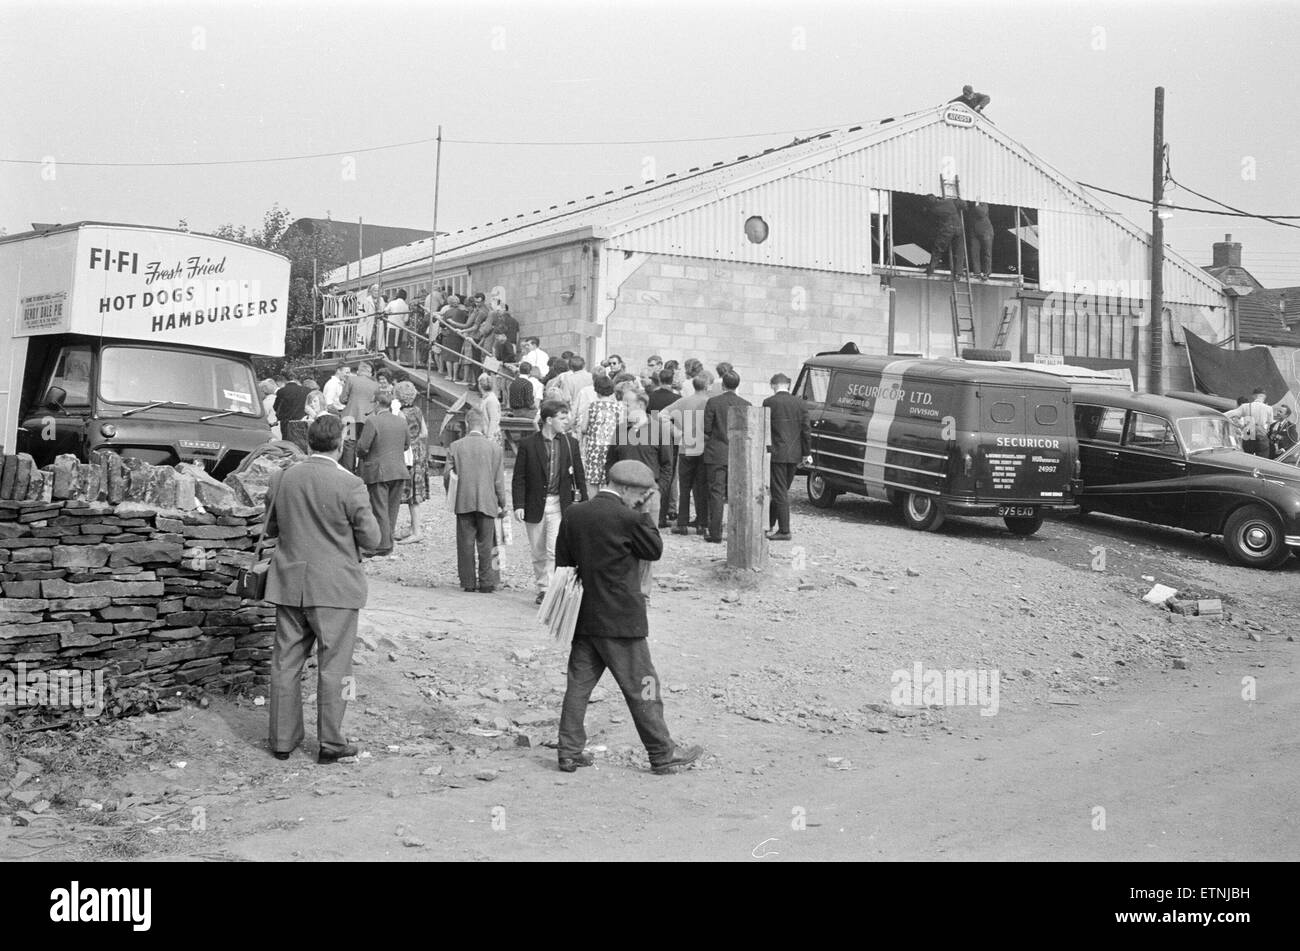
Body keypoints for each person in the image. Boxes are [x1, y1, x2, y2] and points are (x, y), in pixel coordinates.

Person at [554, 459, 703, 776]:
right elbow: (654, 550)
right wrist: (646, 514)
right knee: (645, 686)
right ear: (624, 488)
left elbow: (563, 563)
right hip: (622, 621)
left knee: (578, 687)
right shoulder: (630, 518)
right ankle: (662, 752)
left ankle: (568, 752)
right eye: (640, 494)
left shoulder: (574, 513)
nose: (642, 500)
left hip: (584, 617)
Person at [265, 414, 381, 764]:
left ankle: (282, 741)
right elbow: (373, 539)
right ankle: (331, 742)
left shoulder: (282, 477)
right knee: (336, 667)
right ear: (341, 441)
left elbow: (271, 528)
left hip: (290, 583)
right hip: (335, 588)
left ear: (309, 441)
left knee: (285, 663)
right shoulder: (350, 484)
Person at [513, 399, 587, 604]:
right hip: (534, 503)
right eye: (562, 418)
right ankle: (541, 585)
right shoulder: (528, 444)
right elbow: (519, 477)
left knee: (554, 549)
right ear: (548, 420)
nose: (567, 422)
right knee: (537, 551)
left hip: (559, 504)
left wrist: (585, 503)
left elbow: (579, 474)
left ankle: (550, 590)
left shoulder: (570, 443)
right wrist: (518, 504)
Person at [607, 390, 672, 598]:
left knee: (645, 543)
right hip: (621, 498)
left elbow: (667, 465)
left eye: (627, 405)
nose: (623, 408)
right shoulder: (620, 430)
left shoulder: (658, 430)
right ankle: (621, 587)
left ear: (641, 405)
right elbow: (610, 461)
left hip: (648, 498)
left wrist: (658, 488)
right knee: (618, 542)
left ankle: (642, 592)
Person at [445, 408, 507, 593]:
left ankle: (468, 582)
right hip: (488, 501)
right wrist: (503, 502)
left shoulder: (455, 447)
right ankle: (487, 582)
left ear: (466, 423)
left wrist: (452, 495)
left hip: (463, 500)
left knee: (465, 543)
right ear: (484, 424)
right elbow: (499, 480)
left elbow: (447, 475)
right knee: (488, 543)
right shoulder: (495, 449)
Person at [355, 396, 410, 556]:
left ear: (378, 404)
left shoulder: (372, 421)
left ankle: (382, 545)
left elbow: (363, 446)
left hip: (378, 470)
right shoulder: (401, 421)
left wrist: (363, 456)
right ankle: (388, 541)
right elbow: (407, 445)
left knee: (379, 508)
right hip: (398, 469)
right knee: (392, 508)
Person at [702, 370, 751, 543]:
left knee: (716, 493)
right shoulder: (746, 404)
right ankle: (738, 532)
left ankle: (715, 533)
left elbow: (706, 429)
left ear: (722, 385)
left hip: (716, 453)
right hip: (738, 454)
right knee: (737, 493)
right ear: (737, 385)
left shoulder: (713, 402)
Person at [763, 372, 811, 541]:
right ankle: (769, 523)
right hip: (795, 453)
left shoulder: (769, 403)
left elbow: (765, 428)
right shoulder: (800, 403)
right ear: (788, 385)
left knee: (779, 492)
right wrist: (807, 453)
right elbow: (806, 430)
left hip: (777, 453)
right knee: (782, 490)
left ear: (772, 385)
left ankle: (784, 530)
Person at [668, 373, 713, 535]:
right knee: (701, 486)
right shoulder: (710, 402)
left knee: (684, 487)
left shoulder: (683, 401)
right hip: (703, 447)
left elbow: (661, 416)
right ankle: (702, 523)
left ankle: (682, 522)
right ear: (707, 386)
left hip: (685, 447)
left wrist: (676, 432)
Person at [394, 380, 429, 544]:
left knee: (410, 494)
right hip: (419, 452)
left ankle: (416, 531)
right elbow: (424, 433)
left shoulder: (400, 414)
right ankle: (414, 528)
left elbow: (400, 435)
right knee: (415, 493)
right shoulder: (417, 410)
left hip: (407, 454)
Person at [647, 369, 680, 527]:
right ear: (672, 379)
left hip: (651, 438)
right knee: (668, 474)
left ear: (659, 380)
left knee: (655, 472)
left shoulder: (651, 397)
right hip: (670, 440)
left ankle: (652, 511)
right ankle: (663, 513)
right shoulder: (677, 399)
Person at [581, 373, 622, 492]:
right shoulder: (618, 407)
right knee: (608, 479)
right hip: (611, 447)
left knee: (593, 480)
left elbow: (583, 428)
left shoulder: (592, 406)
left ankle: (593, 506)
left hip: (594, 447)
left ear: (596, 389)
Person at [340, 361, 379, 472]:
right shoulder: (375, 385)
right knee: (364, 445)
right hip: (367, 420)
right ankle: (362, 472)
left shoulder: (351, 380)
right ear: (370, 373)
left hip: (351, 419)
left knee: (349, 444)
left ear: (359, 371)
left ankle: (349, 471)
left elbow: (343, 399)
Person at [1226, 387, 1273, 458]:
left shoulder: (1245, 406)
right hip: (1261, 435)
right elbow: (1269, 423)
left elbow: (1231, 414)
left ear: (1253, 396)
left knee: (1247, 458)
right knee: (1262, 459)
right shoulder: (1269, 408)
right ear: (1264, 397)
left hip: (1248, 434)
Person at [926, 195, 966, 277]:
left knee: (938, 249)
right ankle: (958, 272)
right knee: (959, 250)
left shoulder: (934, 209)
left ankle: (931, 269)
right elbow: (963, 205)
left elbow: (933, 221)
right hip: (958, 228)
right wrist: (960, 199)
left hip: (947, 230)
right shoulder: (950, 201)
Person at [273, 375, 310, 452]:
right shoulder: (307, 390)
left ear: (285, 381)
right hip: (302, 421)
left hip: (286, 422)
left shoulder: (282, 391)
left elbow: (276, 407)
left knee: (287, 446)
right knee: (302, 445)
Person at [966, 200, 994, 281]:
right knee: (974, 252)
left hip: (986, 232)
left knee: (987, 253)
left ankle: (986, 273)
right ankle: (977, 272)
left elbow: (982, 213)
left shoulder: (983, 203)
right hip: (974, 232)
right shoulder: (970, 204)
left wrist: (977, 204)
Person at [477, 372, 503, 446]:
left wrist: (489, 437)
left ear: (480, 385)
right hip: (486, 432)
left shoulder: (491, 400)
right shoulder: (486, 398)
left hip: (491, 434)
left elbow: (493, 419)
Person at [384, 290, 410, 363]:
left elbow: (385, 311)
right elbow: (406, 319)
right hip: (400, 326)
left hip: (391, 325)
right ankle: (398, 359)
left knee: (390, 344)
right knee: (398, 344)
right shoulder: (406, 306)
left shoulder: (392, 303)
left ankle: (392, 359)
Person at [357, 283, 381, 352]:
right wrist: (361, 324)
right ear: (371, 291)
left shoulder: (381, 300)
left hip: (378, 323)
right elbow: (363, 314)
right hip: (369, 322)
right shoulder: (367, 300)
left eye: (378, 291)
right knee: (368, 339)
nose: (377, 293)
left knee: (376, 341)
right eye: (375, 291)